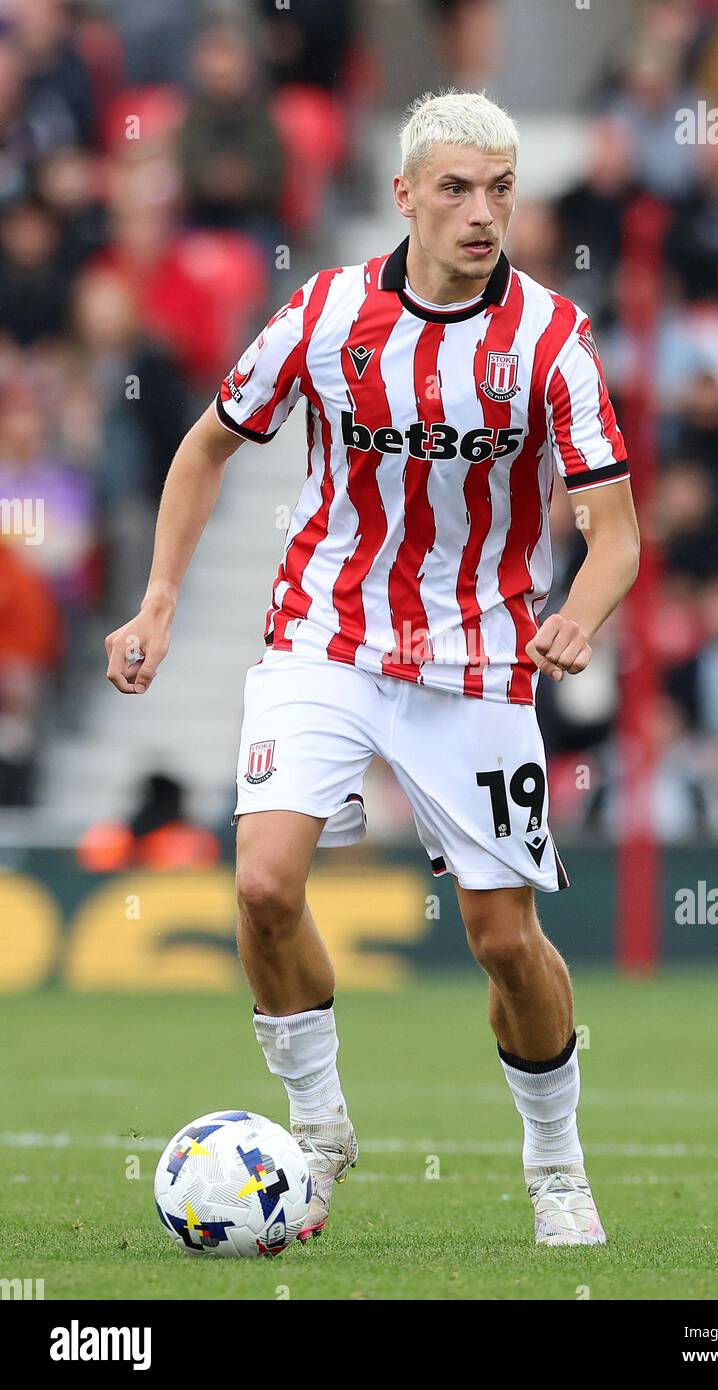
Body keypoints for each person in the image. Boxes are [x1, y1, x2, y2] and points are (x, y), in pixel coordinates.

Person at [105, 90, 640, 1248]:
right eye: (455, 187)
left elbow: (618, 530)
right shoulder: (325, 313)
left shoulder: (553, 339)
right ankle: (320, 1124)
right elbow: (205, 448)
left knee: (503, 938)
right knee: (261, 882)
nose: (480, 211)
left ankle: (555, 1164)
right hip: (325, 635)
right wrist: (157, 600)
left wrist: (581, 614)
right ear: (403, 195)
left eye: (500, 188)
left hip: (483, 652)